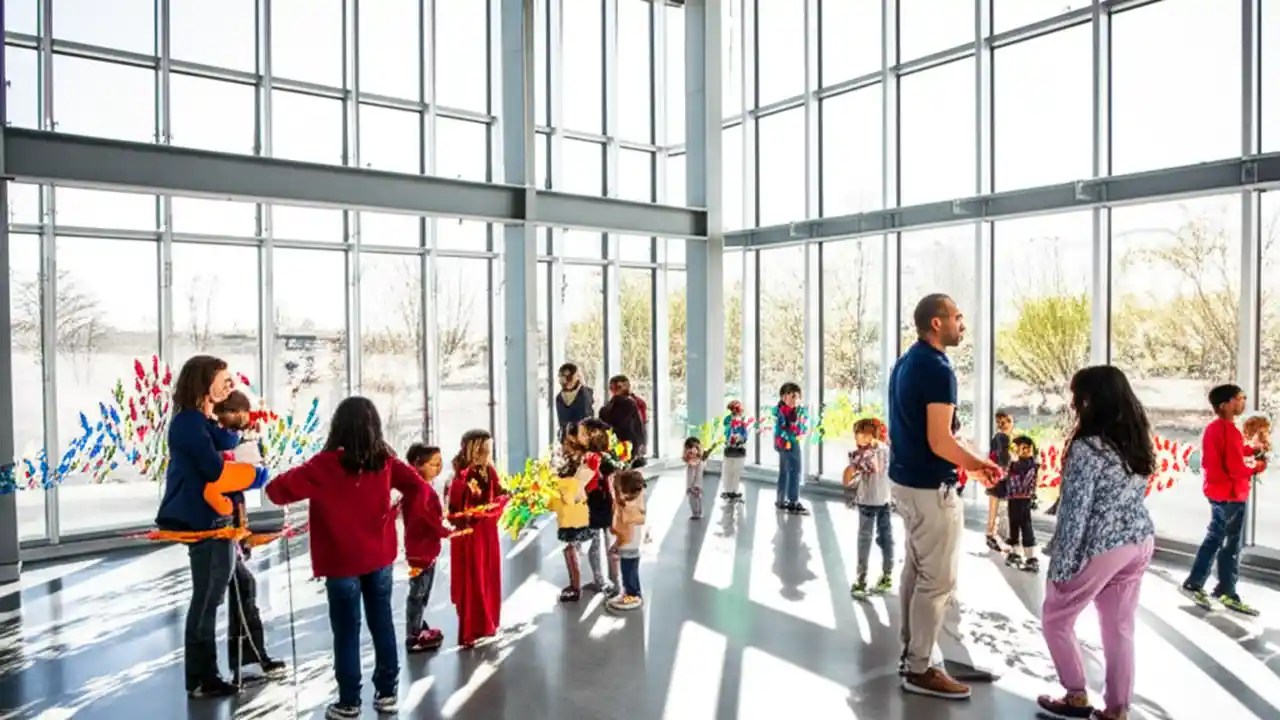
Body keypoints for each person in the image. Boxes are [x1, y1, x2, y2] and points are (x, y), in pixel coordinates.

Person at [265, 396, 423, 719]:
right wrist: (393, 510)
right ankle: (388, 693)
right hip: (379, 559)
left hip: (340, 565)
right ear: (374, 427)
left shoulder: (322, 466)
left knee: (346, 631)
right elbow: (418, 486)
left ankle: (349, 701)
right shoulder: (385, 462)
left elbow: (276, 491)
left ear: (337, 427)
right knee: (382, 624)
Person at [888, 294, 1001, 700]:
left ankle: (913, 652)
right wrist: (979, 464)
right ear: (937, 323)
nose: (962, 324)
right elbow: (940, 440)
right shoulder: (937, 369)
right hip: (929, 488)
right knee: (939, 580)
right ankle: (920, 668)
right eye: (957, 317)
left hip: (904, 482)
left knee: (916, 571)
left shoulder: (906, 360)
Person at [1037, 366, 1157, 720]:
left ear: (1090, 399)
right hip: (1140, 541)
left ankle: (1076, 695)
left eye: (1078, 397)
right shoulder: (1135, 439)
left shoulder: (1088, 447)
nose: (1075, 404)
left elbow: (1075, 512)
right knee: (1119, 627)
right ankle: (1118, 709)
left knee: (1056, 618)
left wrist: (1060, 567)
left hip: (1103, 546)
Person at [156, 355, 254, 699]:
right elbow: (214, 470)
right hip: (202, 521)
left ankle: (206, 674)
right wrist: (254, 476)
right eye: (224, 380)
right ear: (203, 382)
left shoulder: (200, 419)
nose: (231, 385)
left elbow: (226, 442)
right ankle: (202, 677)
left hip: (215, 520)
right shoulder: (188, 423)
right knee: (207, 598)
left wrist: (226, 422)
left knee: (213, 594)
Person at [211, 391, 287, 683]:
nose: (243, 423)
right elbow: (246, 477)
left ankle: (248, 659)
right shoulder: (218, 443)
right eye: (241, 415)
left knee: (242, 586)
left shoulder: (228, 440)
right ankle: (249, 660)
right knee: (242, 586)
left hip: (234, 522)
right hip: (222, 525)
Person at [1181, 384, 1261, 616]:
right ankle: (1203, 585)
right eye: (1239, 398)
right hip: (1230, 496)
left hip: (1218, 494)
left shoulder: (1217, 429)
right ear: (1225, 404)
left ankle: (1222, 587)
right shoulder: (1228, 430)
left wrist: (1250, 450)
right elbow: (1235, 469)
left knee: (1221, 540)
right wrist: (1256, 467)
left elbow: (1230, 453)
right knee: (1226, 543)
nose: (1242, 402)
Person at [447, 429, 508, 647]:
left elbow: (499, 492)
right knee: (473, 579)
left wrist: (506, 498)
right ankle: (471, 629)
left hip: (488, 533)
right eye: (485, 449)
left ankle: (487, 622)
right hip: (471, 537)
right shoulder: (461, 476)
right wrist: (480, 511)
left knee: (489, 575)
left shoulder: (489, 470)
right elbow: (456, 512)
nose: (488, 452)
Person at [401, 444, 452, 653]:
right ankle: (413, 635)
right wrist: (443, 530)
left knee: (422, 592)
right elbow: (424, 518)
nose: (437, 468)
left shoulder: (421, 487)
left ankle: (418, 626)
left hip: (425, 549)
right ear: (417, 464)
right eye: (432, 464)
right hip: (419, 551)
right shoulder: (418, 490)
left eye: (439, 463)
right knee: (418, 593)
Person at [843, 418, 893, 598]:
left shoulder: (880, 451)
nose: (859, 437)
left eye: (863, 434)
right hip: (881, 502)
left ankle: (862, 581)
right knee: (885, 540)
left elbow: (847, 480)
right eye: (858, 434)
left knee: (868, 541)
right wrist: (853, 467)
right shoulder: (866, 453)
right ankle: (884, 576)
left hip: (872, 503)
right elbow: (848, 479)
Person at [548, 428, 595, 602]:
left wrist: (558, 490)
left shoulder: (575, 476)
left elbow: (569, 497)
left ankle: (575, 587)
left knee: (571, 550)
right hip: (570, 518)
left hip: (573, 519)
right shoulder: (577, 471)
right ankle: (575, 584)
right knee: (571, 550)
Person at [578, 418, 623, 596]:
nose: (579, 436)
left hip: (602, 504)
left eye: (582, 433)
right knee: (597, 543)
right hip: (597, 504)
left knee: (607, 545)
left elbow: (605, 483)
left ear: (592, 435)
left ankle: (614, 583)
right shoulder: (601, 456)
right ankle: (601, 581)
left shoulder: (598, 458)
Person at [607, 469, 647, 612]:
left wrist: (617, 544)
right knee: (630, 571)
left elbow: (626, 533)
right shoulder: (636, 502)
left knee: (628, 571)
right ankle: (631, 592)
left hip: (628, 546)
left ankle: (633, 594)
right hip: (632, 545)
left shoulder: (627, 511)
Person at [1004, 435, 1041, 573]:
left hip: (1021, 498)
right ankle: (1018, 553)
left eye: (1027, 448)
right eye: (1022, 448)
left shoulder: (1025, 464)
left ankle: (1028, 556)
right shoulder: (1019, 463)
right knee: (1016, 524)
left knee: (1024, 525)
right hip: (1016, 498)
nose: (1024, 451)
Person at [773, 382, 809, 515]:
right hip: (788, 443)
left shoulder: (786, 411)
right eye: (793, 396)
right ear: (783, 396)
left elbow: (800, 427)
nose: (795, 399)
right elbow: (784, 428)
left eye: (797, 396)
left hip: (787, 442)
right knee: (794, 471)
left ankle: (781, 500)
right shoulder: (784, 412)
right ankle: (792, 501)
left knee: (786, 471)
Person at [599, 375, 646, 466]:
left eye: (618, 387)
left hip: (628, 444)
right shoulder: (609, 406)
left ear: (627, 386)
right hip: (615, 443)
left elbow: (639, 425)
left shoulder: (632, 403)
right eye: (612, 387)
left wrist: (641, 444)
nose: (615, 390)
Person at [986, 411, 1014, 550]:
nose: (1002, 425)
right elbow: (1003, 459)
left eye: (1004, 422)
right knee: (998, 508)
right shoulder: (1003, 438)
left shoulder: (999, 437)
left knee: (994, 507)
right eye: (1000, 422)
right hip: (1000, 476)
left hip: (995, 475)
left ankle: (991, 535)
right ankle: (993, 535)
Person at [554, 363, 595, 441]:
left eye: (569, 378)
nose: (565, 381)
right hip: (568, 440)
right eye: (562, 378)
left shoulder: (585, 394)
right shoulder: (559, 398)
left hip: (583, 439)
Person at [721, 400, 749, 502]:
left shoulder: (742, 421)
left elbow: (745, 434)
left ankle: (733, 491)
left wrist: (740, 437)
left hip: (738, 448)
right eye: (737, 409)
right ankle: (728, 490)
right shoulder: (728, 420)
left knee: (735, 471)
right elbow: (727, 431)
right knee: (729, 470)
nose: (739, 411)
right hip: (730, 448)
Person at [683, 437, 707, 519]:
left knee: (697, 499)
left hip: (696, 485)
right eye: (688, 449)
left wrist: (696, 486)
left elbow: (698, 473)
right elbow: (689, 475)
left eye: (694, 448)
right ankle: (694, 513)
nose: (691, 451)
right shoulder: (689, 462)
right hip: (690, 485)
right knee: (691, 500)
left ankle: (698, 513)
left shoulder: (699, 462)